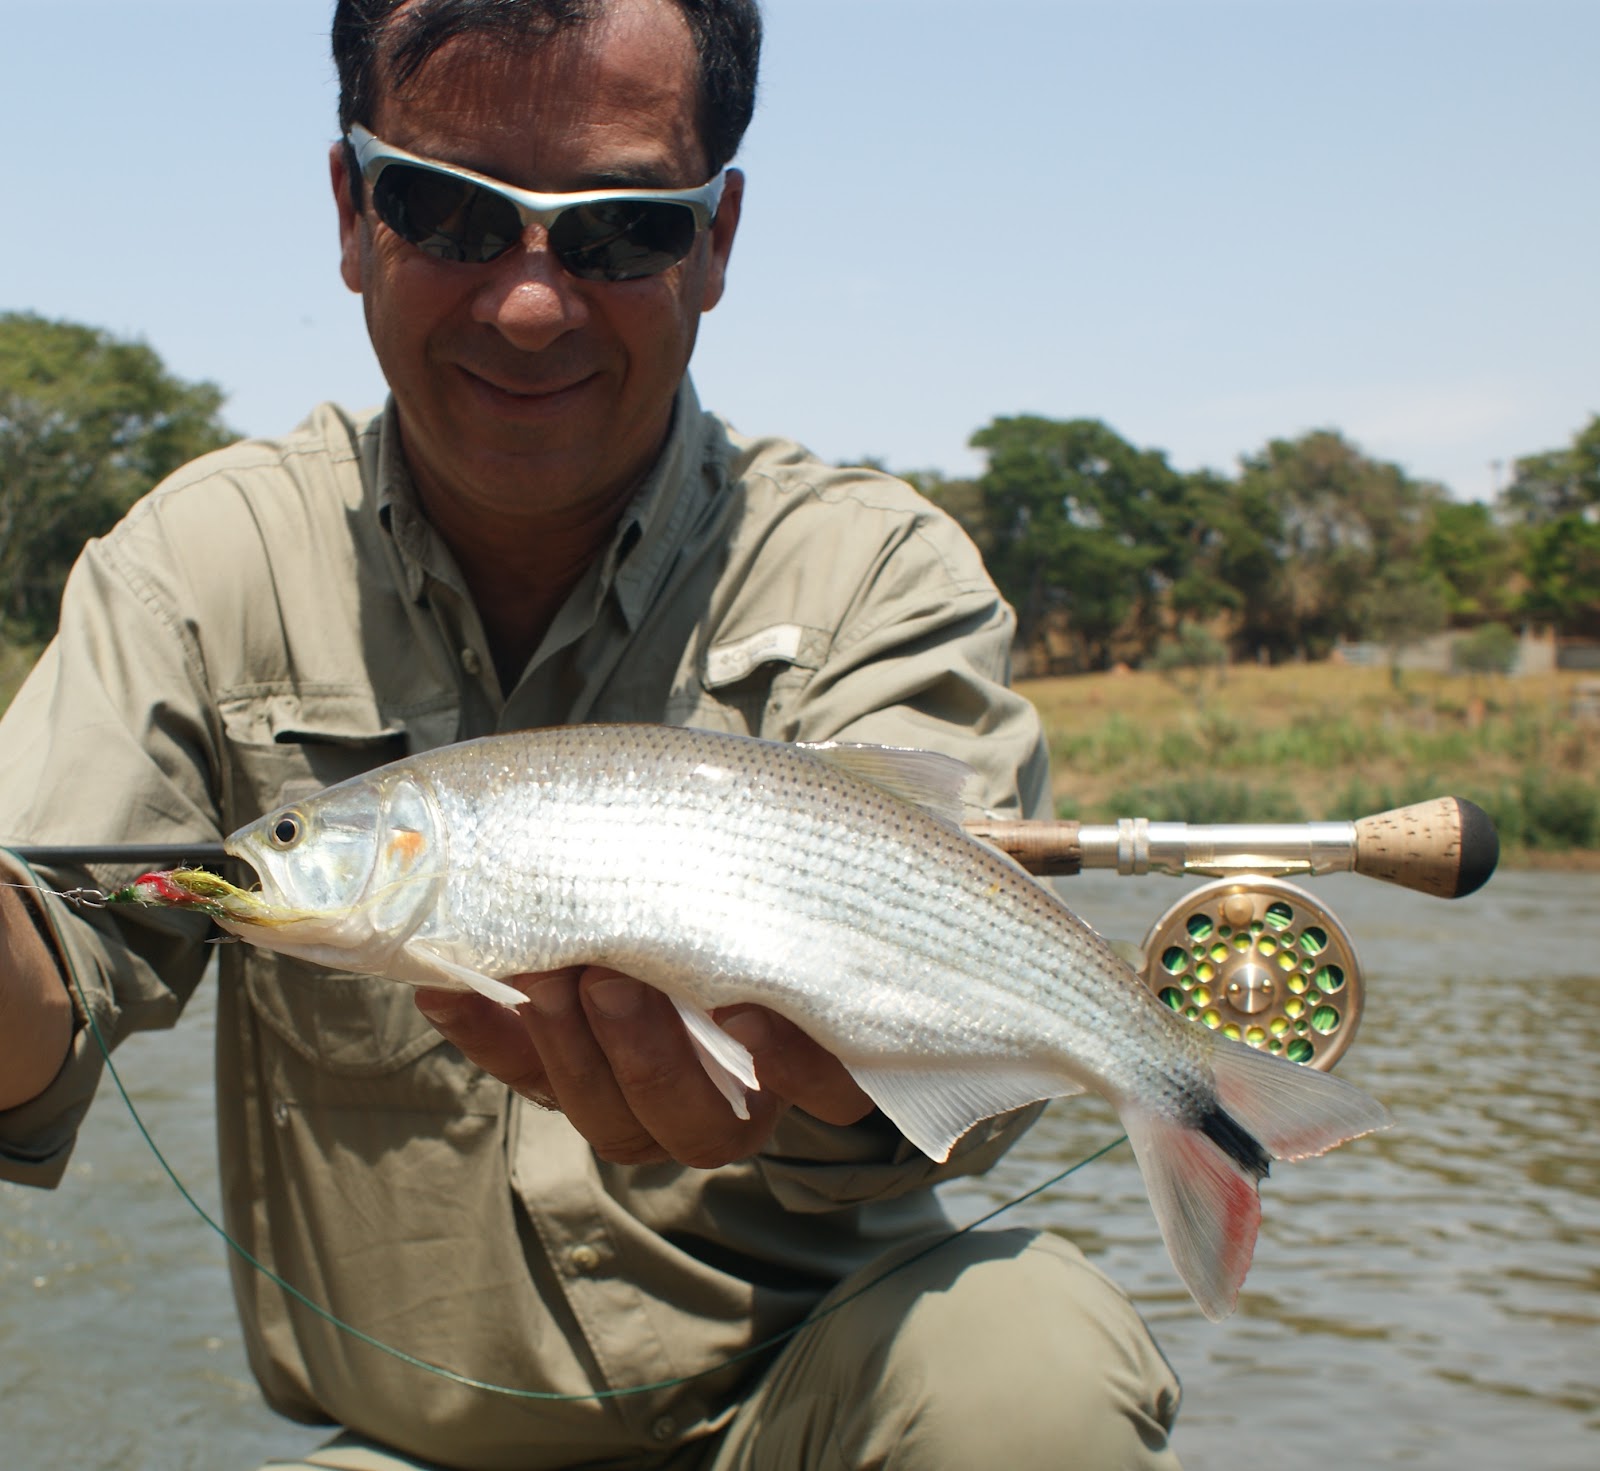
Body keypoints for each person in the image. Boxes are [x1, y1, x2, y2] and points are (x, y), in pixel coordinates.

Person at [0, 1, 1181, 1466]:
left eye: (621, 231)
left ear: (719, 240)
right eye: (447, 212)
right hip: (407, 1446)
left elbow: (957, 1090)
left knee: (1030, 1373)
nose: (530, 304)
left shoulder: (877, 572)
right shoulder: (194, 564)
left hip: (807, 1410)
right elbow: (52, 967)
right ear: (352, 214)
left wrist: (810, 1081)